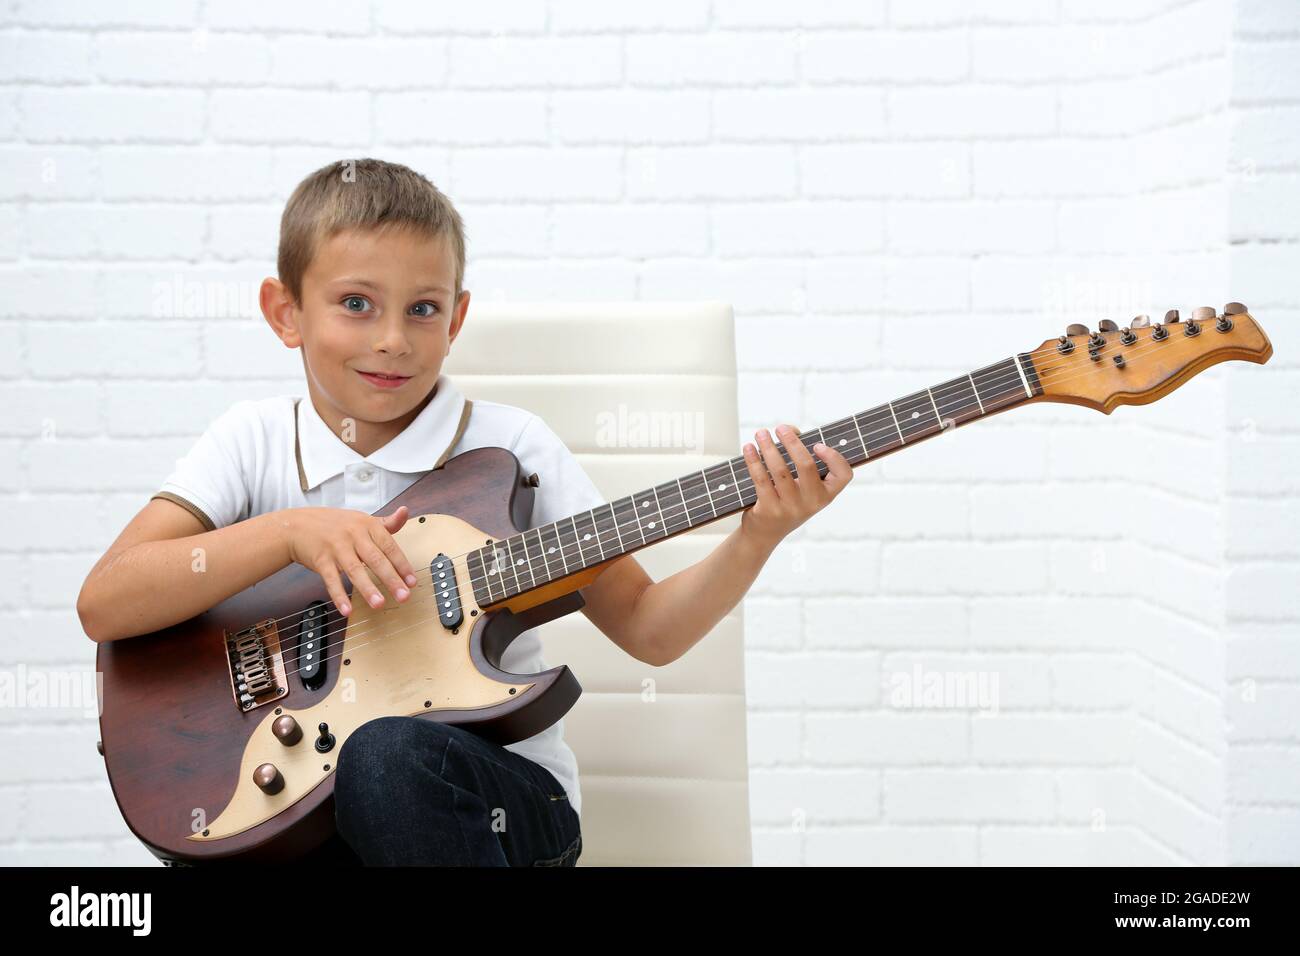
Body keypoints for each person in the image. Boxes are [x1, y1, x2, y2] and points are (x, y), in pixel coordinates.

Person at [76, 158, 854, 866]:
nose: (392, 339)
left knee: (383, 759)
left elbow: (650, 628)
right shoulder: (249, 442)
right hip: (312, 821)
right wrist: (289, 533)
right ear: (285, 312)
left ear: (456, 318)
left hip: (497, 807)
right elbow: (106, 600)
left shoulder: (513, 449)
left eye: (423, 309)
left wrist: (759, 535)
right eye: (355, 303)